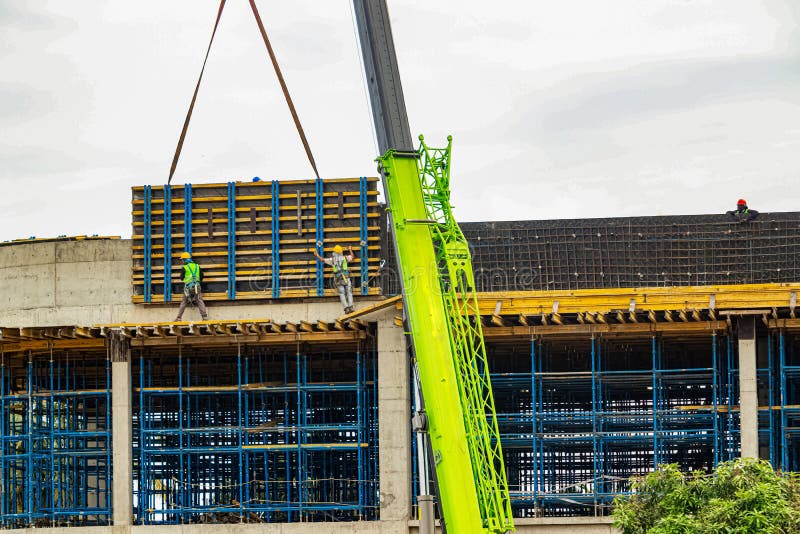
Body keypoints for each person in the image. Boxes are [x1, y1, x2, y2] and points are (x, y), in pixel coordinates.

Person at [313, 244, 356, 314]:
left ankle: (346, 308)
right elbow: (352, 257)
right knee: (349, 292)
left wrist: (317, 255)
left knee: (342, 293)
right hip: (346, 278)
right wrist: (350, 249)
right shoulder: (345, 258)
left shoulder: (332, 260)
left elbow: (323, 260)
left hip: (338, 279)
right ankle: (351, 306)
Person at [175, 252, 208, 321]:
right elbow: (202, 276)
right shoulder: (197, 266)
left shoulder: (185, 267)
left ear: (184, 259)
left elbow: (181, 278)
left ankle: (179, 318)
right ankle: (204, 317)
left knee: (184, 302)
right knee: (199, 300)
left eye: (182, 260)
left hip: (188, 288)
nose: (182, 261)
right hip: (197, 286)